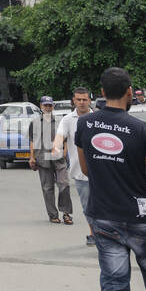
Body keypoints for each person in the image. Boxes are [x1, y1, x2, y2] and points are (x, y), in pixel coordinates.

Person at [76, 67, 146, 291]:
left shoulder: (85, 124)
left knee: (114, 285)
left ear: (101, 92)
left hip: (103, 216)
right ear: (129, 92)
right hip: (142, 219)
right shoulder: (142, 130)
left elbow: (86, 169)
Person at [53, 87, 97, 246]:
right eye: (78, 99)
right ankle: (94, 233)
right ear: (73, 100)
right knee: (88, 206)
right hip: (80, 172)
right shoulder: (67, 119)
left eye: (84, 99)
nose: (81, 102)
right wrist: (56, 147)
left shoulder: (97, 117)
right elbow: (60, 135)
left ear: (89, 100)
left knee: (105, 204)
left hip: (101, 171)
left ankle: (106, 234)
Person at [30, 96, 73, 224]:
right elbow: (32, 141)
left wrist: (65, 151)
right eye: (45, 105)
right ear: (41, 107)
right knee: (47, 188)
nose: (48, 107)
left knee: (64, 184)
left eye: (50, 105)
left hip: (59, 159)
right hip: (42, 159)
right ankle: (53, 214)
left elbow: (66, 138)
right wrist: (31, 157)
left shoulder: (61, 121)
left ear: (53, 106)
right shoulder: (35, 123)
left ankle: (66, 213)